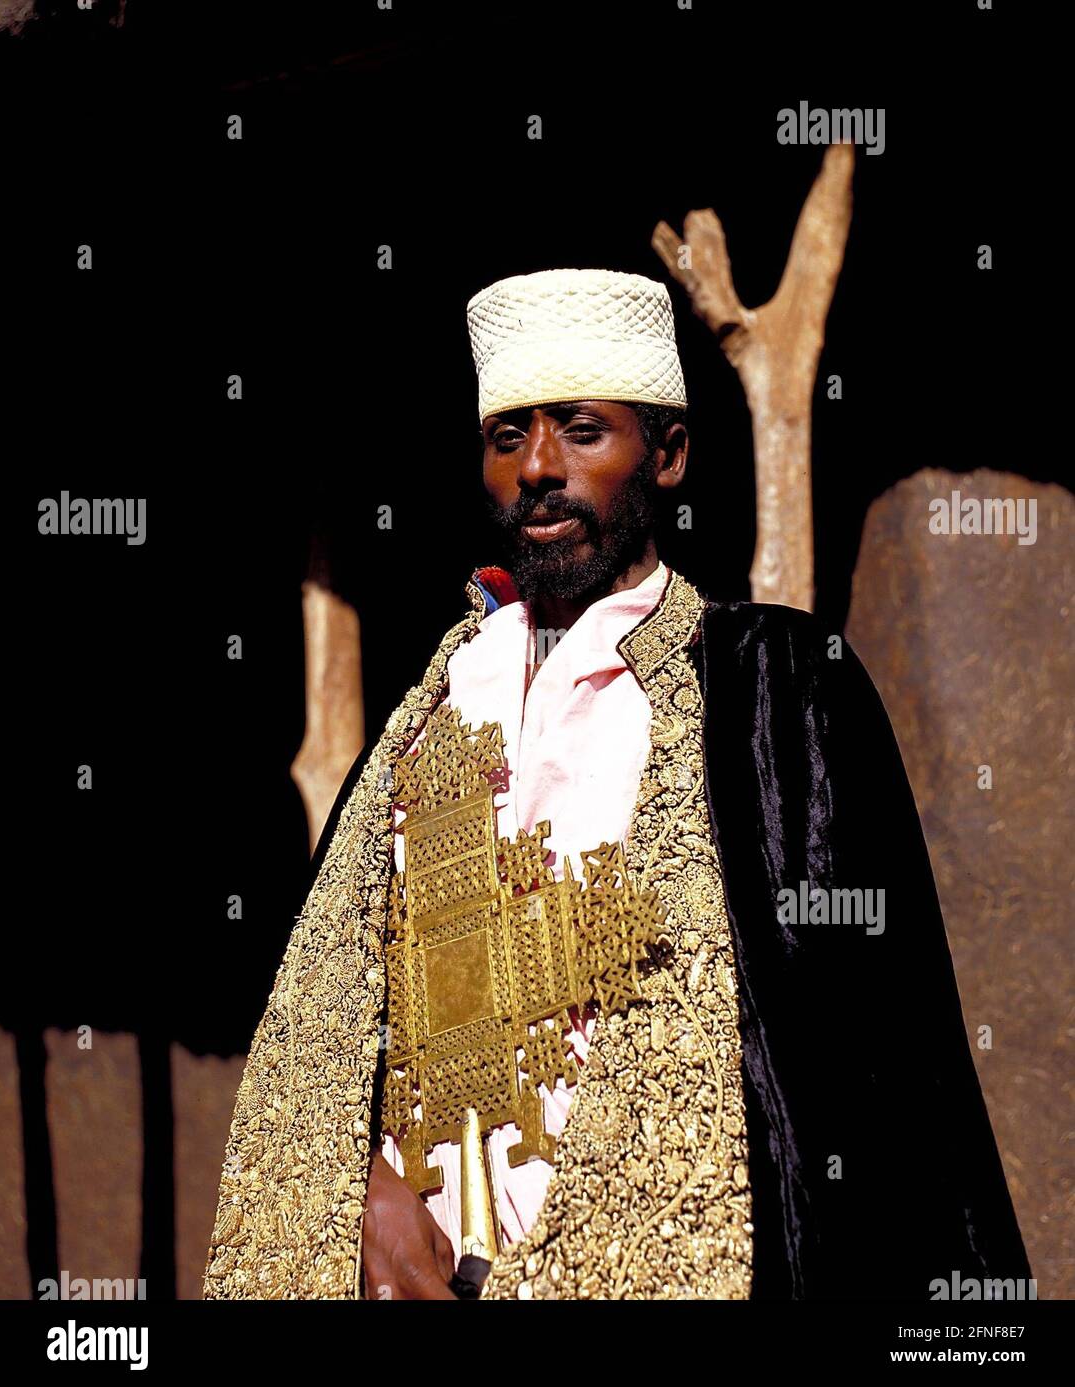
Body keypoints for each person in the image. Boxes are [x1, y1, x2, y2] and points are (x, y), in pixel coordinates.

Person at [204, 268, 1030, 1301]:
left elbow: (890, 1074)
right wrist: (355, 1191)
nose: (539, 467)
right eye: (508, 437)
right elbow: (319, 1022)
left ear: (668, 455)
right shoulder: (426, 712)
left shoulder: (765, 693)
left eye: (582, 432)